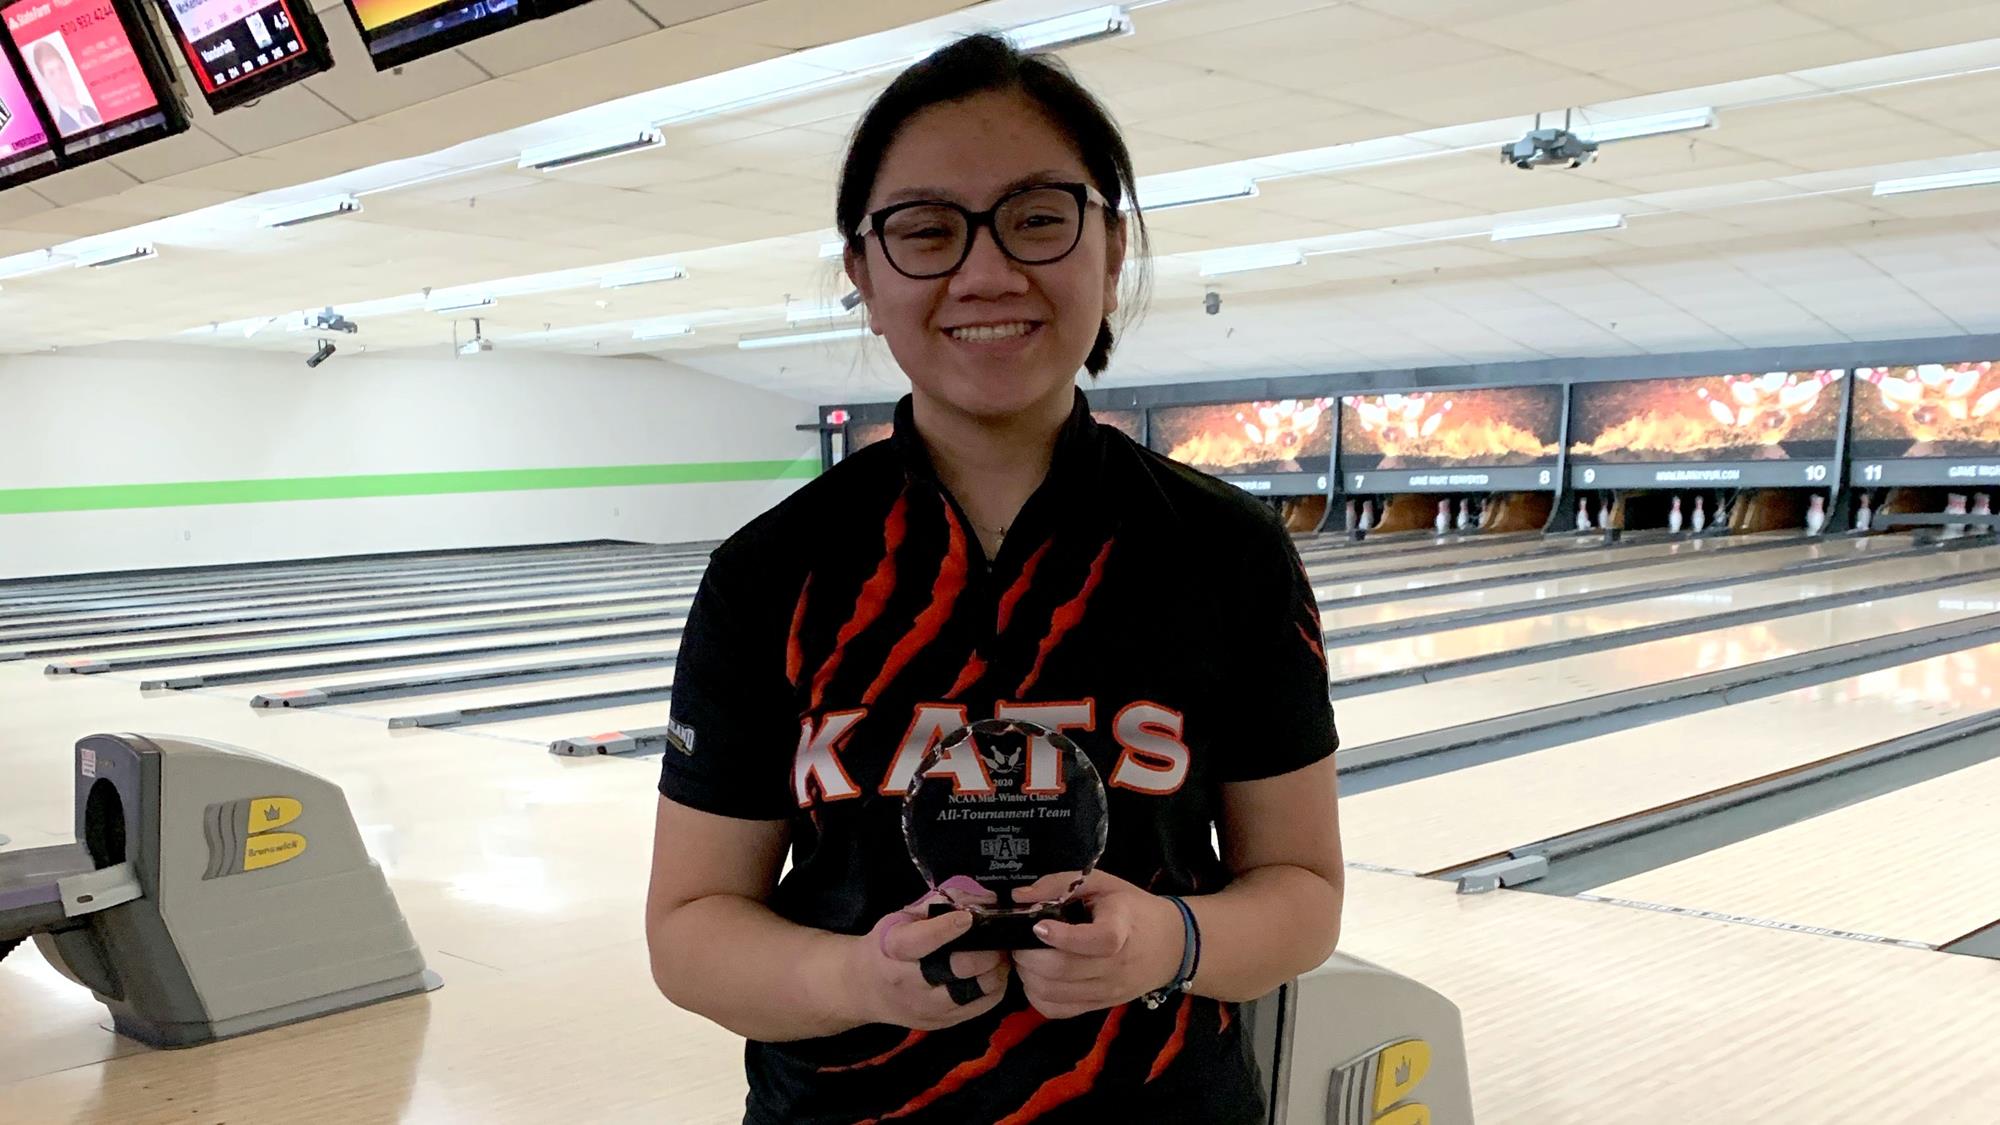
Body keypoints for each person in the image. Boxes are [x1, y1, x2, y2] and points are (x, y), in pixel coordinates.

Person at [646, 32, 1343, 1125]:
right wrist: (855, 980)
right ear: (863, 277)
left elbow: (1302, 895)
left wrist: (1173, 940)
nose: (984, 272)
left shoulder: (1226, 551)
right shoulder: (770, 573)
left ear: (1109, 252)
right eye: (925, 231)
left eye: (1036, 219)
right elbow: (689, 928)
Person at [30, 40, 99, 136]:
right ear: (46, 82)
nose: (60, 78)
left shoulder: (92, 112)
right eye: (52, 73)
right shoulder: (62, 130)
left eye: (61, 69)